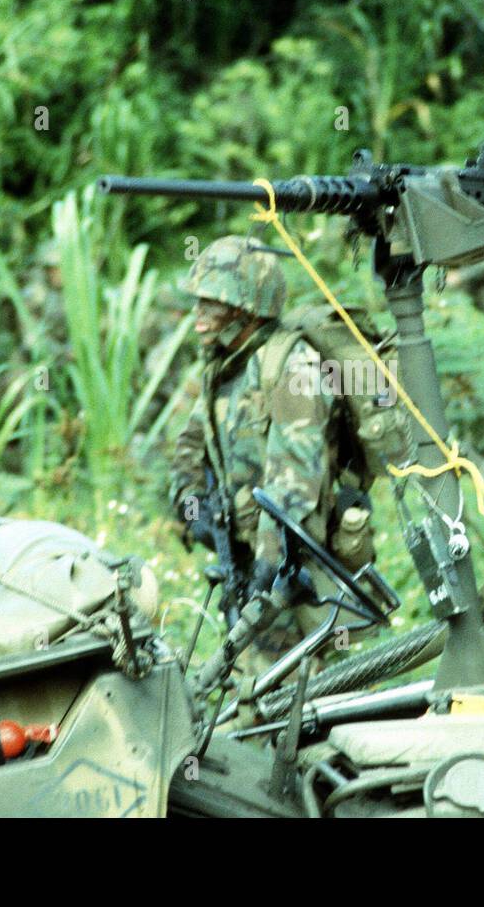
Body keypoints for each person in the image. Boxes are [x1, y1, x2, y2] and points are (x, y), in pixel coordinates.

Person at [169, 235, 348, 670]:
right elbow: (191, 445)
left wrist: (267, 577)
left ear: (245, 307)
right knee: (247, 688)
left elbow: (293, 488)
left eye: (209, 306)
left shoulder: (292, 368)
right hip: (245, 560)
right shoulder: (225, 367)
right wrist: (194, 513)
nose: (197, 320)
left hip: (292, 564)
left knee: (293, 698)